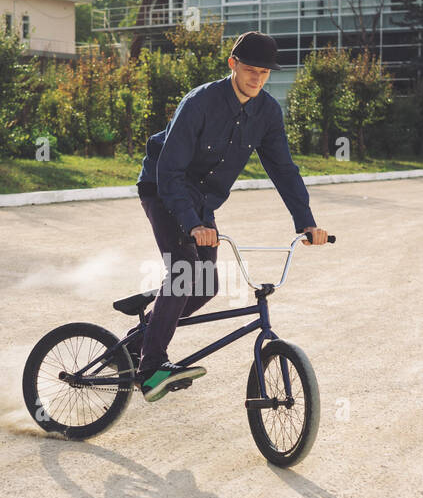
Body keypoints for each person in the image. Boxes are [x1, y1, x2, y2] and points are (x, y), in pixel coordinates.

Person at [133, 30, 329, 402]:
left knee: (206, 286)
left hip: (203, 200)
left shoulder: (267, 112)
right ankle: (150, 366)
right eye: (251, 69)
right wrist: (192, 223)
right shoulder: (200, 102)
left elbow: (283, 169)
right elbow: (171, 171)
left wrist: (306, 221)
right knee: (183, 270)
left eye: (265, 72)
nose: (257, 78)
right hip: (164, 189)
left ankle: (139, 342)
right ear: (233, 65)